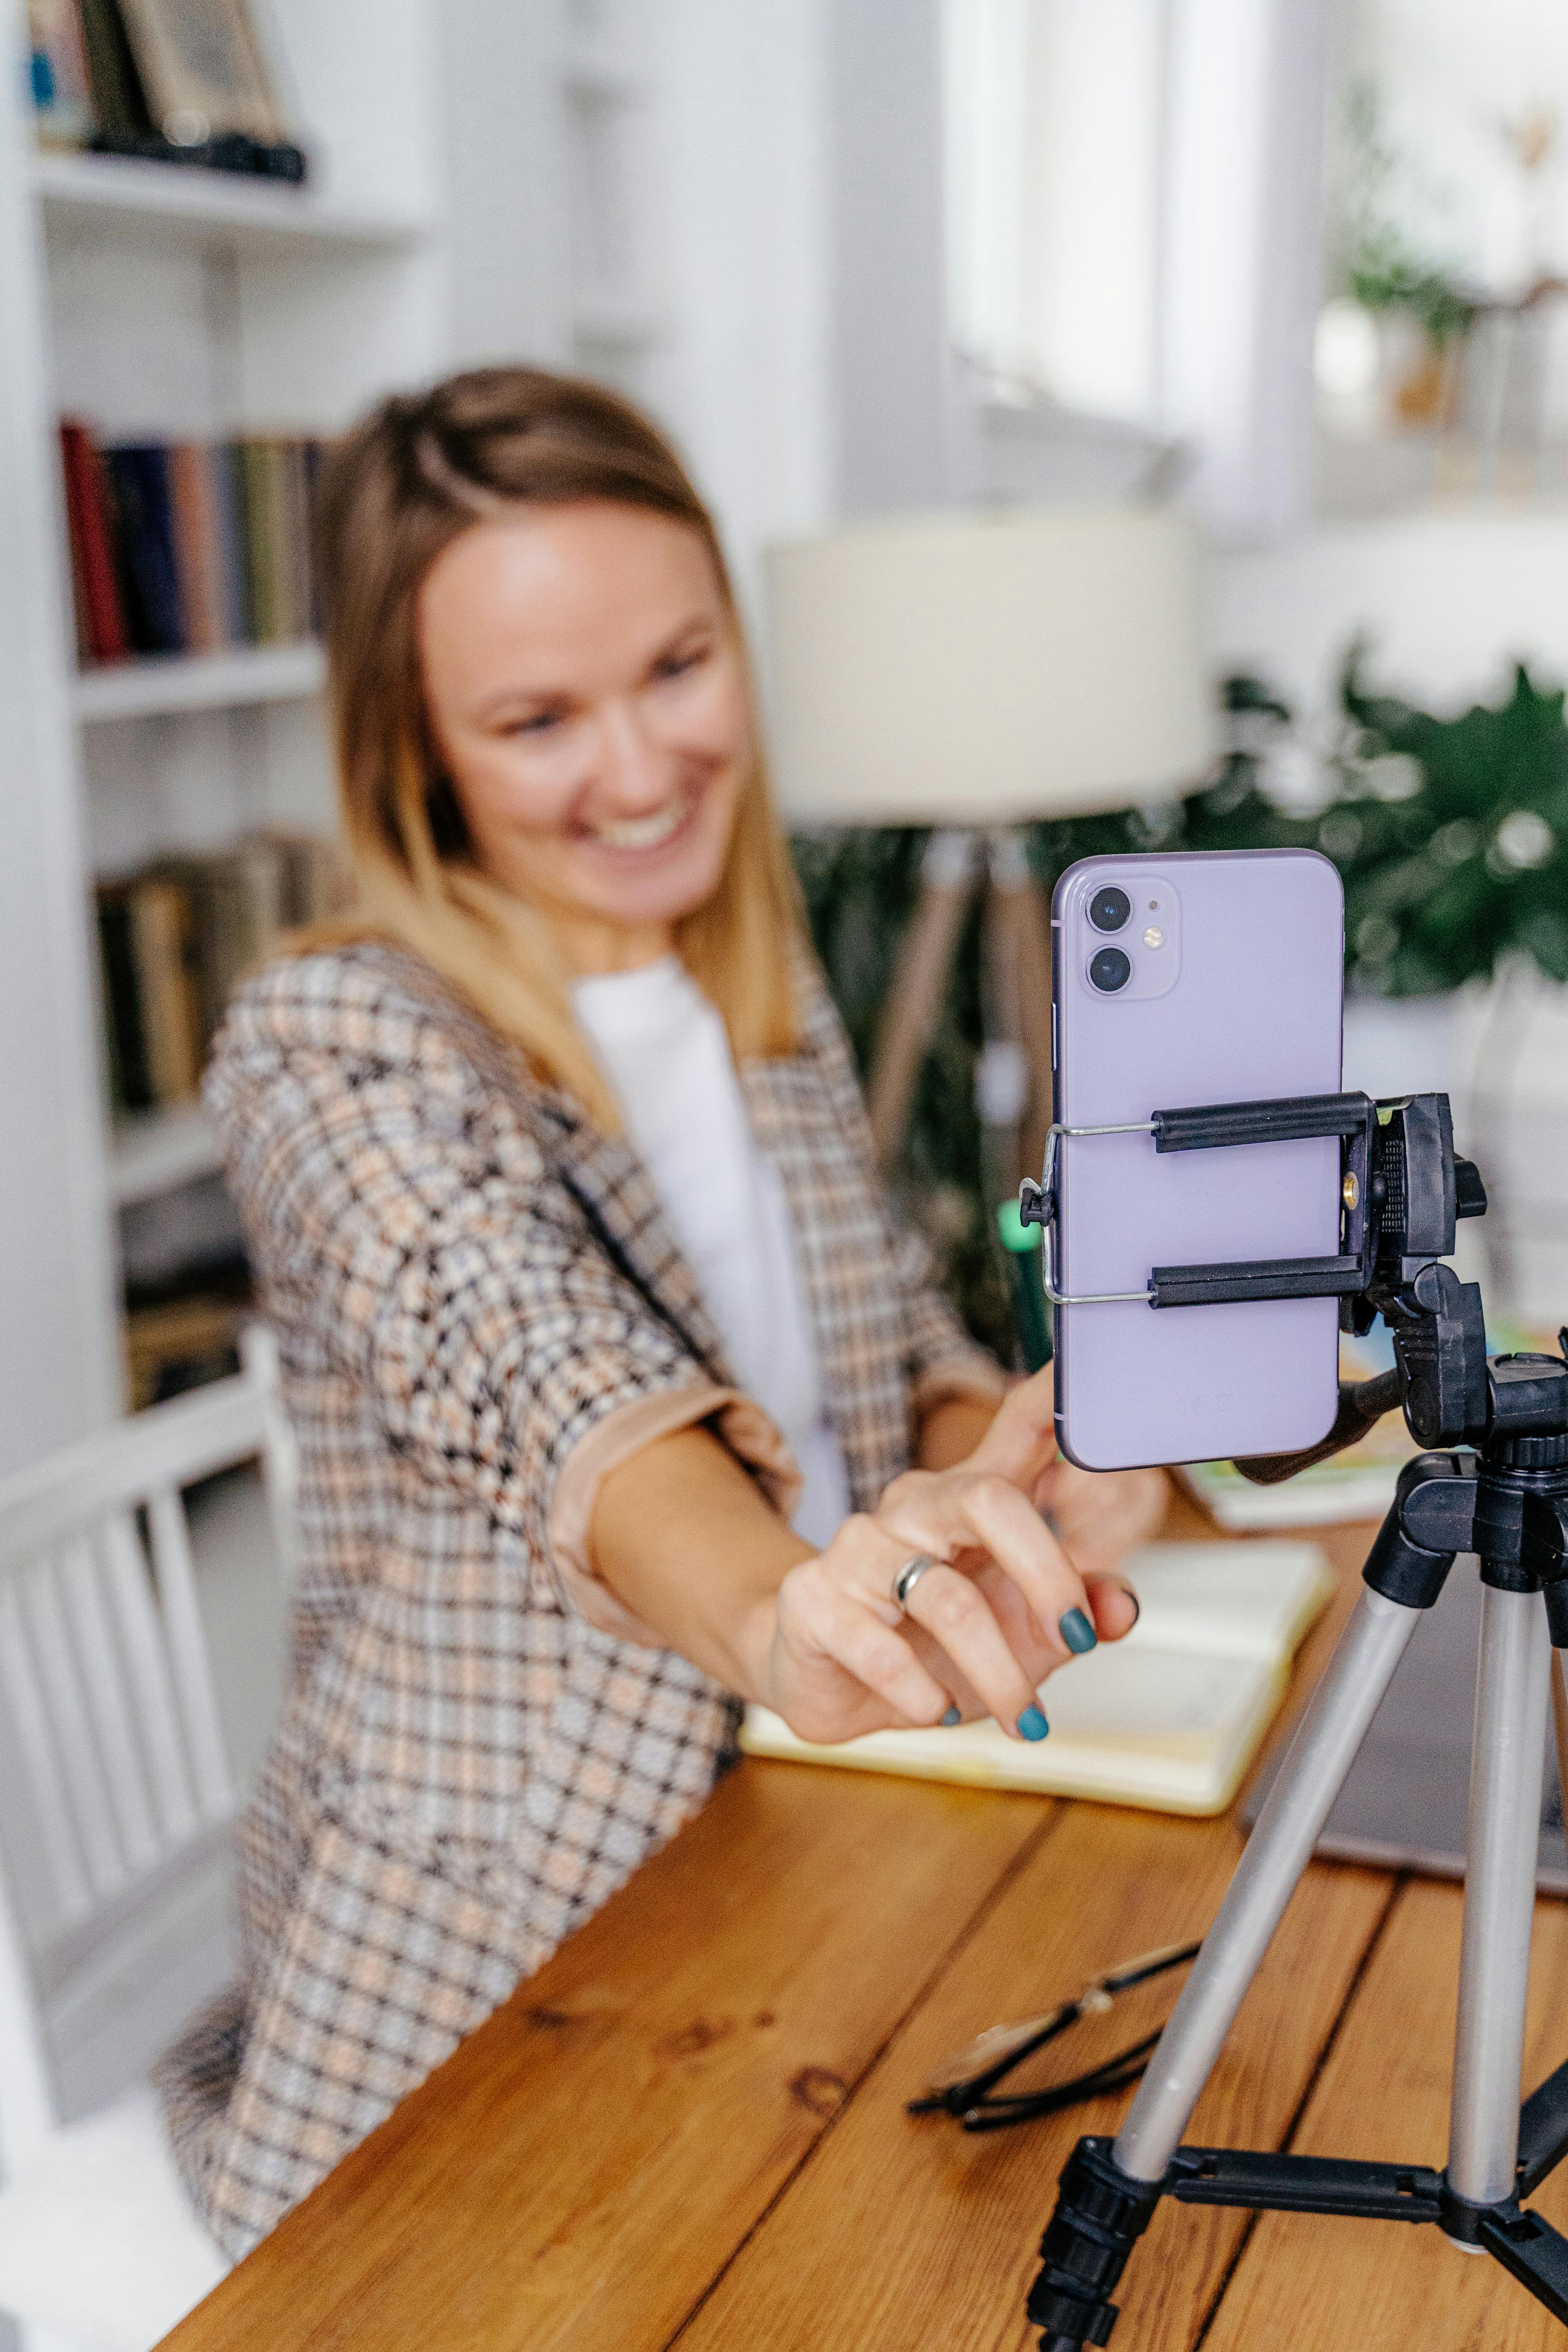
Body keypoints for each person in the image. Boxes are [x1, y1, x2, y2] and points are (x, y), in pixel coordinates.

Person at [155, 367, 1167, 2257]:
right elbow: (543, 1379)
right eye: (536, 719)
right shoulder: (332, 1039)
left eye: (678, 670)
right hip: (489, 1955)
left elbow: (891, 1359)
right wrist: (786, 1609)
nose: (637, 771)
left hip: (826, 1848)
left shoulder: (754, 1011)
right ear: (417, 750)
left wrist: (998, 1471)